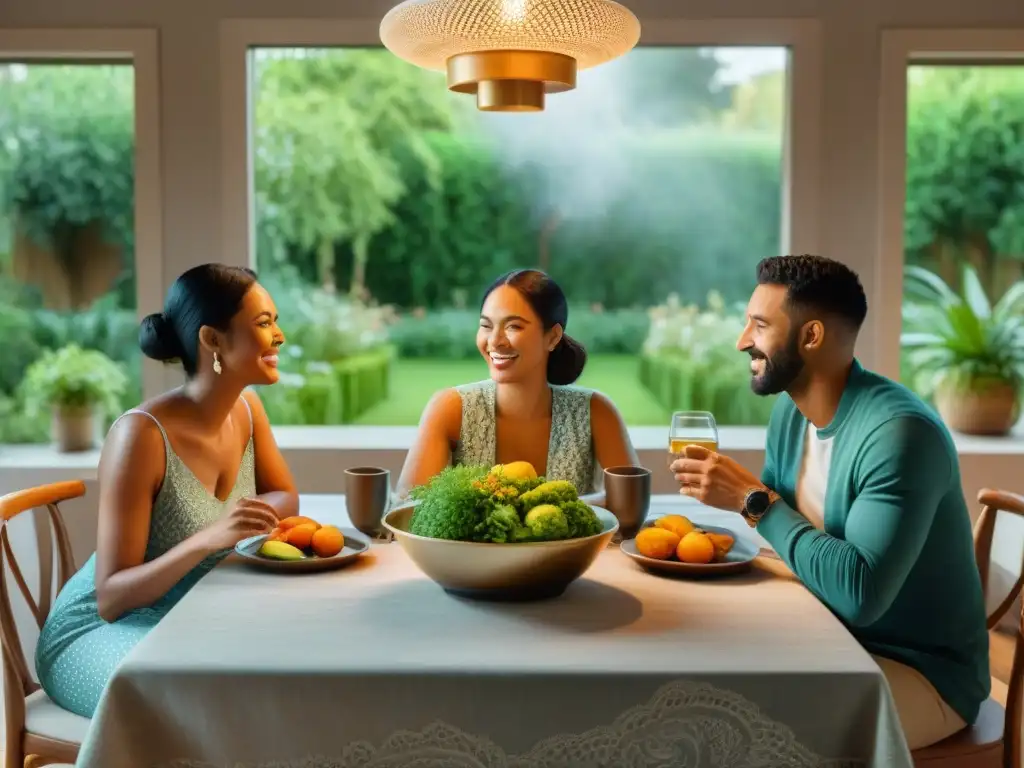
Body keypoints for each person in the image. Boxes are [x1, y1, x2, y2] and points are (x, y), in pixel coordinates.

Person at [670, 254, 989, 750]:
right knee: (689, 680)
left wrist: (754, 502)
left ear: (811, 337)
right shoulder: (790, 414)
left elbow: (861, 592)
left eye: (758, 325)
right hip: (828, 636)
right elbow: (781, 539)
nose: (742, 341)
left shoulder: (900, 435)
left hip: (916, 672)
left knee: (742, 729)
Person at [36, 263, 298, 718]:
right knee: (205, 696)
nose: (279, 337)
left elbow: (285, 497)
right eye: (263, 323)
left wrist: (237, 523)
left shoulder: (247, 408)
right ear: (212, 340)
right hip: (100, 631)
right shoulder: (140, 436)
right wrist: (214, 536)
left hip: (191, 613)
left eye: (274, 321)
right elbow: (112, 597)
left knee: (280, 672)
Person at [396, 268, 637, 498]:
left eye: (513, 326)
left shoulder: (596, 412)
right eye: (486, 325)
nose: (495, 341)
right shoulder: (449, 408)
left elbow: (630, 504)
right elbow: (409, 508)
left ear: (552, 337)